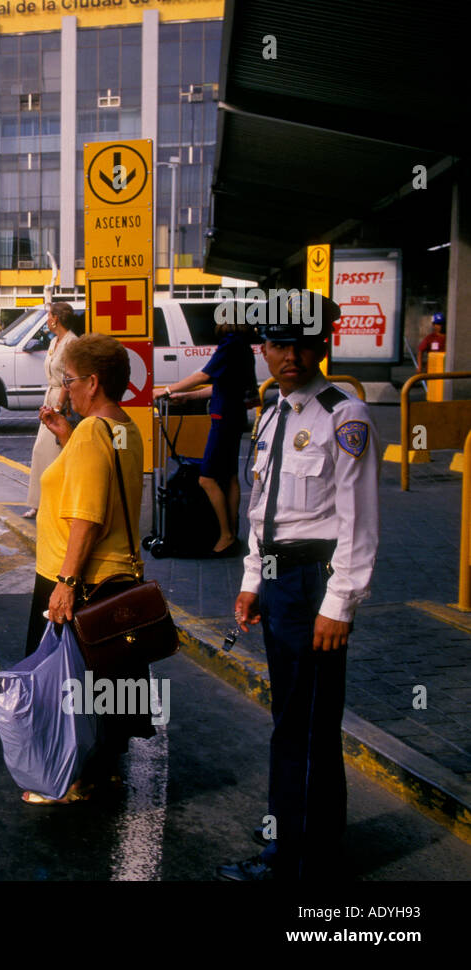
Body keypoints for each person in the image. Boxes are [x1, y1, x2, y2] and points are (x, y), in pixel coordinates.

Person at [220, 293, 379, 881]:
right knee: (292, 721)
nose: (291, 355)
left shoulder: (346, 415)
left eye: (303, 343)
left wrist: (340, 604)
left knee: (306, 727)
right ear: (262, 349)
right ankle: (300, 849)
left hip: (317, 584)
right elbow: (264, 510)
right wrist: (250, 581)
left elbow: (359, 522)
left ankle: (299, 862)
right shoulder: (271, 413)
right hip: (279, 579)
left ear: (323, 346)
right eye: (279, 344)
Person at [21, 332, 153, 804]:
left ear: (92, 382)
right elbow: (103, 476)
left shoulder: (92, 435)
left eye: (69, 380)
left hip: (81, 577)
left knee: (66, 684)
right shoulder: (123, 427)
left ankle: (69, 779)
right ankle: (100, 772)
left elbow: (87, 517)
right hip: (115, 579)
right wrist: (66, 434)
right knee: (103, 685)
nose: (65, 389)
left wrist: (65, 584)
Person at [154, 320, 258, 555]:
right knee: (230, 477)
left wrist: (168, 390)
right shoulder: (243, 347)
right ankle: (232, 531)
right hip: (235, 415)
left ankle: (226, 535)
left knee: (207, 478)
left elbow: (204, 376)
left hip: (223, 418)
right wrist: (187, 397)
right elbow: (221, 386)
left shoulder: (230, 344)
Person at [23, 301, 82, 519]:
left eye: (49, 315)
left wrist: (58, 407)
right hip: (51, 396)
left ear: (56, 318)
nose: (47, 319)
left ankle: (50, 503)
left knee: (53, 453)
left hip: (61, 400)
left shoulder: (71, 343)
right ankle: (39, 502)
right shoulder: (55, 341)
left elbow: (68, 378)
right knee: (41, 451)